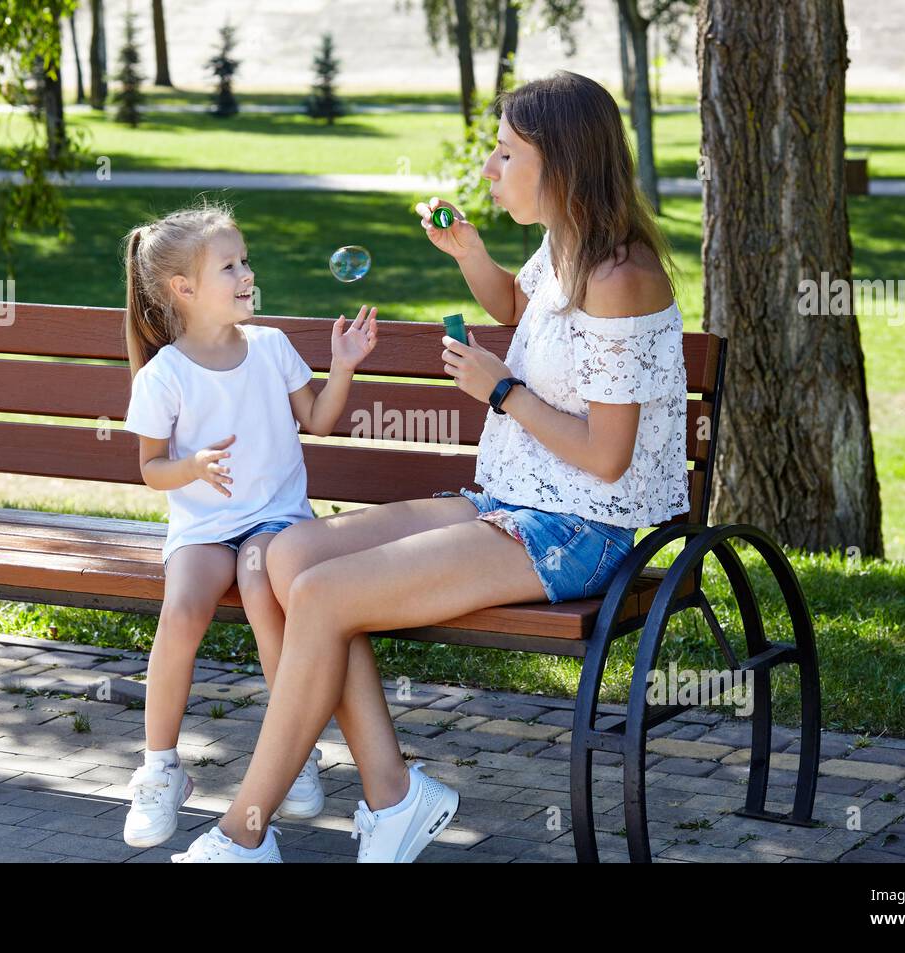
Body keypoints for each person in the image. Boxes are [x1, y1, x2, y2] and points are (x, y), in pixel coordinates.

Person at [177, 70, 688, 863]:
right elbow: (519, 312)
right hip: (512, 499)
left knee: (320, 591)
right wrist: (470, 252)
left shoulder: (622, 278)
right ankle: (395, 798)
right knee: (284, 553)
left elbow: (608, 456)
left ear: (561, 162)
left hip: (581, 527)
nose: (490, 168)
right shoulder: (568, 249)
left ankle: (244, 830)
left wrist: (503, 389)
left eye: (506, 152)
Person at [119, 201, 379, 849]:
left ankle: (292, 758)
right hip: (204, 528)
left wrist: (343, 364)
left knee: (264, 590)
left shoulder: (271, 347)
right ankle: (159, 768)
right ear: (183, 290)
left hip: (276, 521)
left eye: (245, 259)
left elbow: (317, 420)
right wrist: (192, 468)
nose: (246, 272)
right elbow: (151, 469)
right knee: (181, 608)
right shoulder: (165, 375)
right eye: (229, 264)